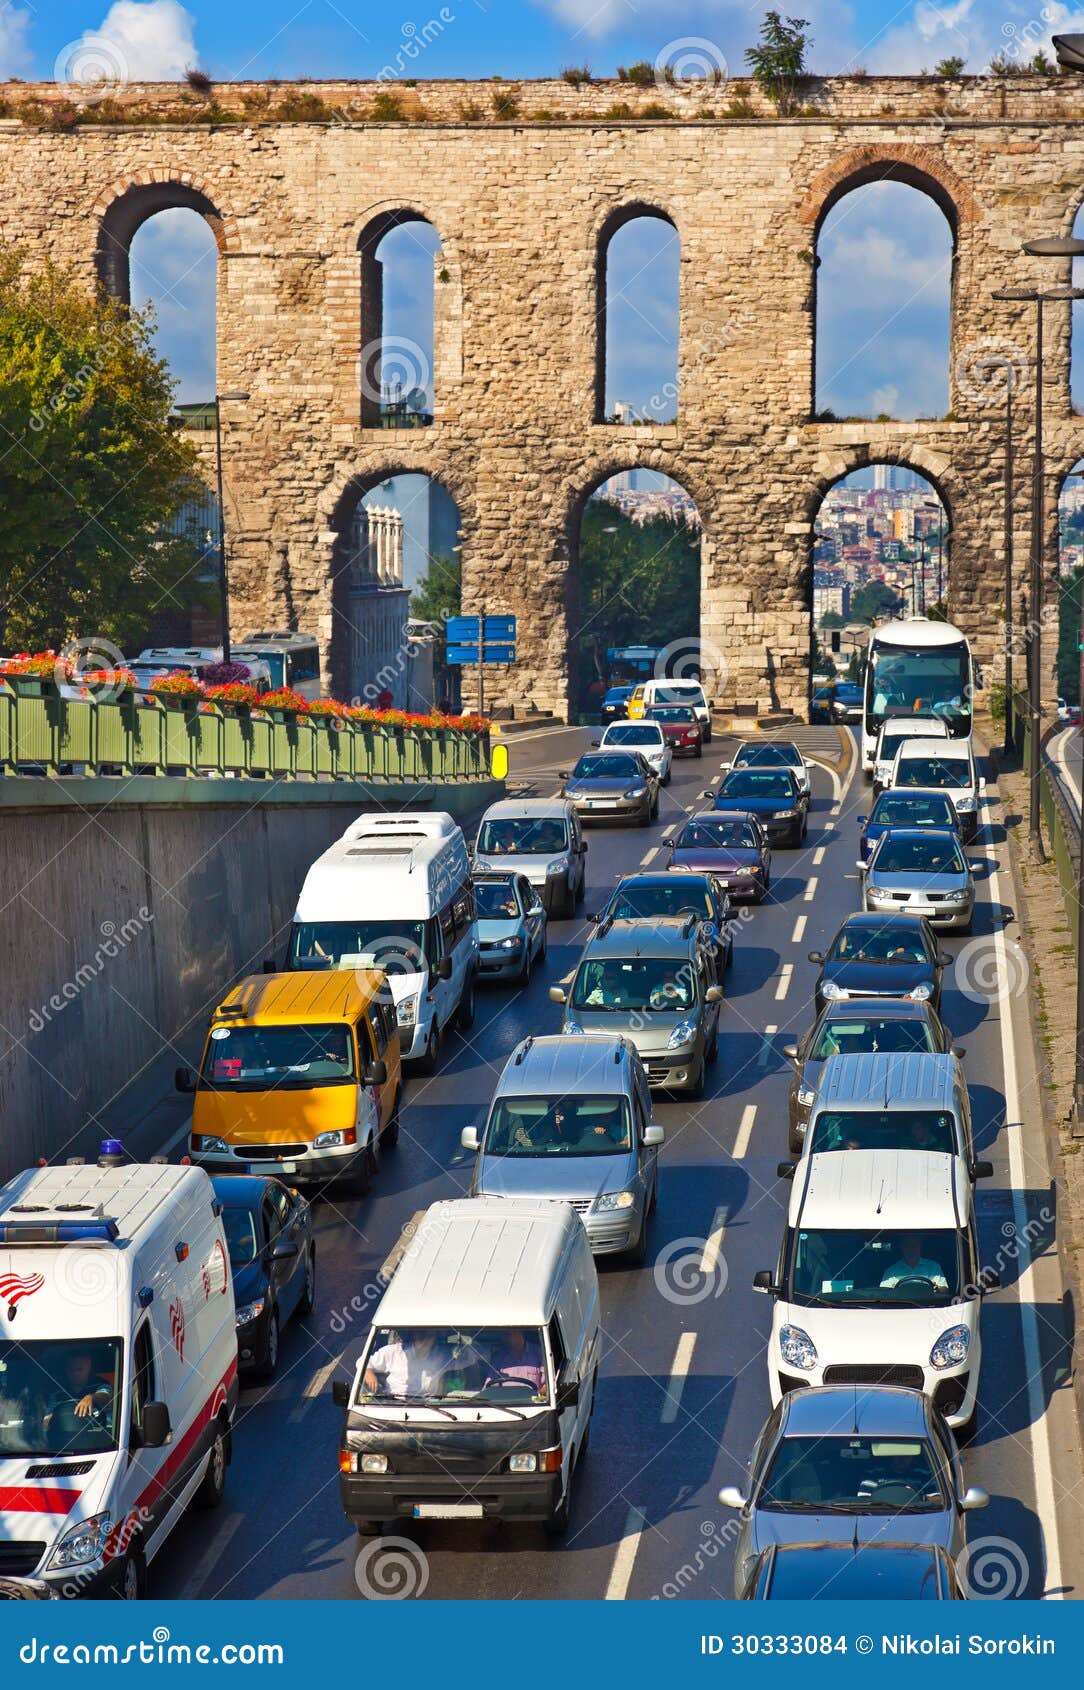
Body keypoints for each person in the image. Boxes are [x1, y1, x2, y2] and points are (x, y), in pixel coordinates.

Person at [363, 1330, 451, 1399]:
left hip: (429, 1405)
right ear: (414, 1335)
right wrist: (368, 1372)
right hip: (392, 1402)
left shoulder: (442, 1355)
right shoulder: (394, 1351)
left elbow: (463, 1359)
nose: (424, 1340)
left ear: (434, 1338)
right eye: (421, 1335)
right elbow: (363, 1362)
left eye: (429, 1336)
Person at [43, 1347, 112, 1427]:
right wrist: (55, 1417)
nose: (76, 1374)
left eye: (80, 1369)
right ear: (66, 1370)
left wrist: (92, 1397)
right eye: (71, 1370)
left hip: (99, 1436)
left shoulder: (100, 1384)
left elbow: (105, 1396)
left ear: (88, 1366)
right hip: (65, 1436)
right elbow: (45, 1422)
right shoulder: (57, 1392)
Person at [484, 1328, 546, 1393]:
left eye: (509, 1334)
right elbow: (488, 1387)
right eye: (505, 1334)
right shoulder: (499, 1358)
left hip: (534, 1401)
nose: (506, 1337)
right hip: (504, 1401)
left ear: (520, 1332)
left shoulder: (540, 1353)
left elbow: (548, 1386)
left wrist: (536, 1396)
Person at [879, 1233, 948, 1292]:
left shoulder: (933, 1267)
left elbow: (945, 1290)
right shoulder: (891, 1271)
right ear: (901, 1247)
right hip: (899, 1306)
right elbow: (884, 1293)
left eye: (915, 1245)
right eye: (907, 1246)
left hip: (929, 1306)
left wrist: (937, 1289)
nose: (911, 1249)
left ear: (920, 1246)